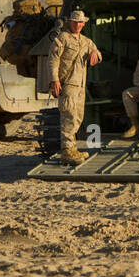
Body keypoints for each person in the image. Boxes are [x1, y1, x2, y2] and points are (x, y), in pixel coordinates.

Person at [48, 9, 102, 165]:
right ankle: (67, 152)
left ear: (84, 24)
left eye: (80, 22)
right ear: (70, 22)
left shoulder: (86, 41)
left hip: (80, 84)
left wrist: (94, 53)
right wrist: (54, 80)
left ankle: (73, 149)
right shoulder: (62, 39)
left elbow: (98, 54)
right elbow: (53, 60)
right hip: (68, 84)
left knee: (78, 117)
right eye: (75, 22)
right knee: (68, 116)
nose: (77, 25)